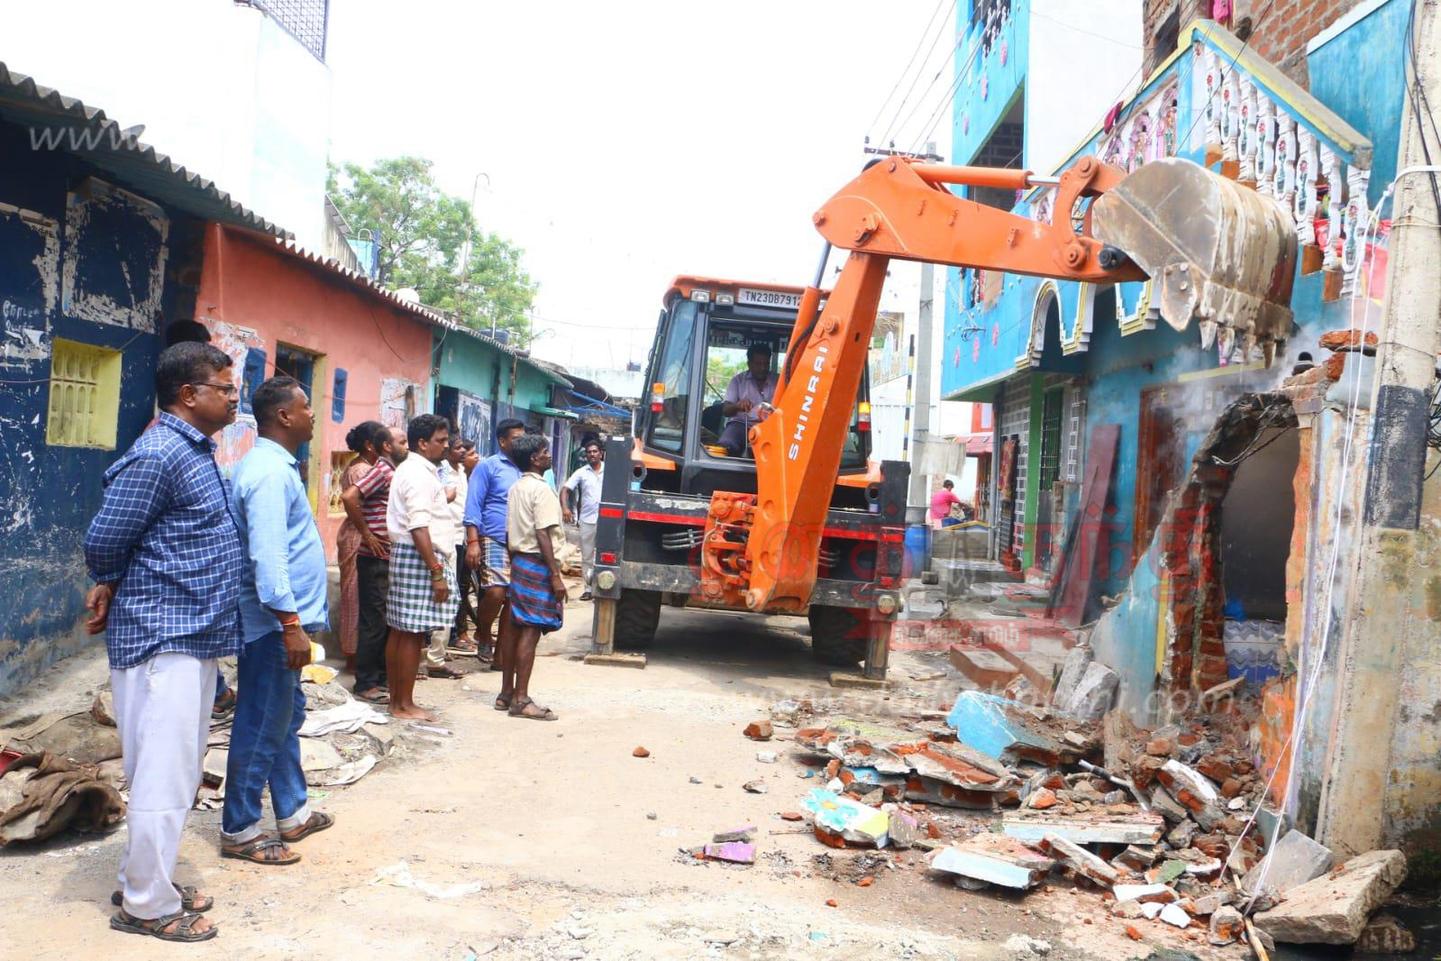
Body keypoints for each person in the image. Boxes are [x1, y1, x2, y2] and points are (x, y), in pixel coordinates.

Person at [84, 341, 240, 943]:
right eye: (224, 388)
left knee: (175, 770)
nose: (233, 397)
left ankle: (146, 879)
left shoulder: (193, 450)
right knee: (162, 773)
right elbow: (106, 538)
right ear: (188, 394)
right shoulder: (158, 454)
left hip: (191, 634)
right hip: (161, 634)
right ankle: (147, 905)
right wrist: (108, 579)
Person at [220, 376, 333, 865]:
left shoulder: (277, 467)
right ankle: (240, 828)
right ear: (285, 416)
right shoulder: (268, 473)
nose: (313, 415)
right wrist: (290, 624)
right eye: (307, 407)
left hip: (284, 623)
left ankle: (293, 812)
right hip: (272, 626)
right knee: (262, 721)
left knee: (283, 716)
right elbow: (268, 557)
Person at [384, 414, 459, 721]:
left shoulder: (418, 470)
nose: (445, 446)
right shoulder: (417, 473)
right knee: (411, 634)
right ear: (422, 443)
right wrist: (436, 571)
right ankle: (403, 703)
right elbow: (419, 525)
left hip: (412, 553)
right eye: (440, 441)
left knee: (403, 632)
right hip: (419, 555)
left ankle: (399, 701)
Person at [340, 425, 407, 704]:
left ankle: (379, 678)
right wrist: (367, 533)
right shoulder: (379, 470)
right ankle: (366, 682)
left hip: (388, 556)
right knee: (374, 621)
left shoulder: (391, 472)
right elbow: (349, 497)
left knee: (384, 619)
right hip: (375, 557)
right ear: (386, 447)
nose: (408, 446)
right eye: (402, 441)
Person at [502, 433, 566, 721]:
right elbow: (543, 532)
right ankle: (521, 699)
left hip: (519, 561)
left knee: (514, 627)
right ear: (534, 458)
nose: (549, 455)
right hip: (536, 563)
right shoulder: (542, 491)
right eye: (544, 451)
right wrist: (555, 575)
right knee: (530, 629)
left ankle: (506, 692)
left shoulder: (517, 487)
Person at [463, 418, 526, 669]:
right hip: (493, 536)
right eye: (516, 438)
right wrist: (473, 542)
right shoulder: (488, 466)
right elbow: (473, 505)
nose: (521, 442)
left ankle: (501, 656)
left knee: (512, 600)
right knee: (496, 591)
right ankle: (483, 631)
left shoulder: (527, 467)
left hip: (522, 542)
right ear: (503, 441)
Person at [336, 421, 386, 672]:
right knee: (356, 596)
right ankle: (355, 656)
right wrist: (368, 533)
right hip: (359, 536)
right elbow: (352, 501)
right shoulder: (362, 471)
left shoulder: (367, 467)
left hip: (360, 534)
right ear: (370, 445)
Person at [421, 436, 470, 678]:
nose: (459, 451)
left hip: (454, 539)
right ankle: (432, 657)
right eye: (454, 446)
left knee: (450, 597)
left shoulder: (460, 472)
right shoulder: (436, 472)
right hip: (436, 544)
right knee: (437, 598)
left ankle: (436, 656)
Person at [561, 440, 605, 601]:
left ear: (601, 453)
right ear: (586, 455)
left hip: (608, 521)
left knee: (604, 556)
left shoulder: (611, 470)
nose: (592, 454)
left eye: (595, 451)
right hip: (587, 520)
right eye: (589, 452)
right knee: (587, 557)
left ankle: (603, 588)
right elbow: (565, 490)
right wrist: (565, 509)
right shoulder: (581, 472)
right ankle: (588, 588)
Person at [719, 344, 778, 456]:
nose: (763, 368)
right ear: (749, 364)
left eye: (766, 364)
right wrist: (738, 406)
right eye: (758, 364)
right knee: (726, 445)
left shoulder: (779, 382)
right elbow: (726, 410)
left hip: (771, 427)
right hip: (741, 425)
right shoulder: (738, 381)